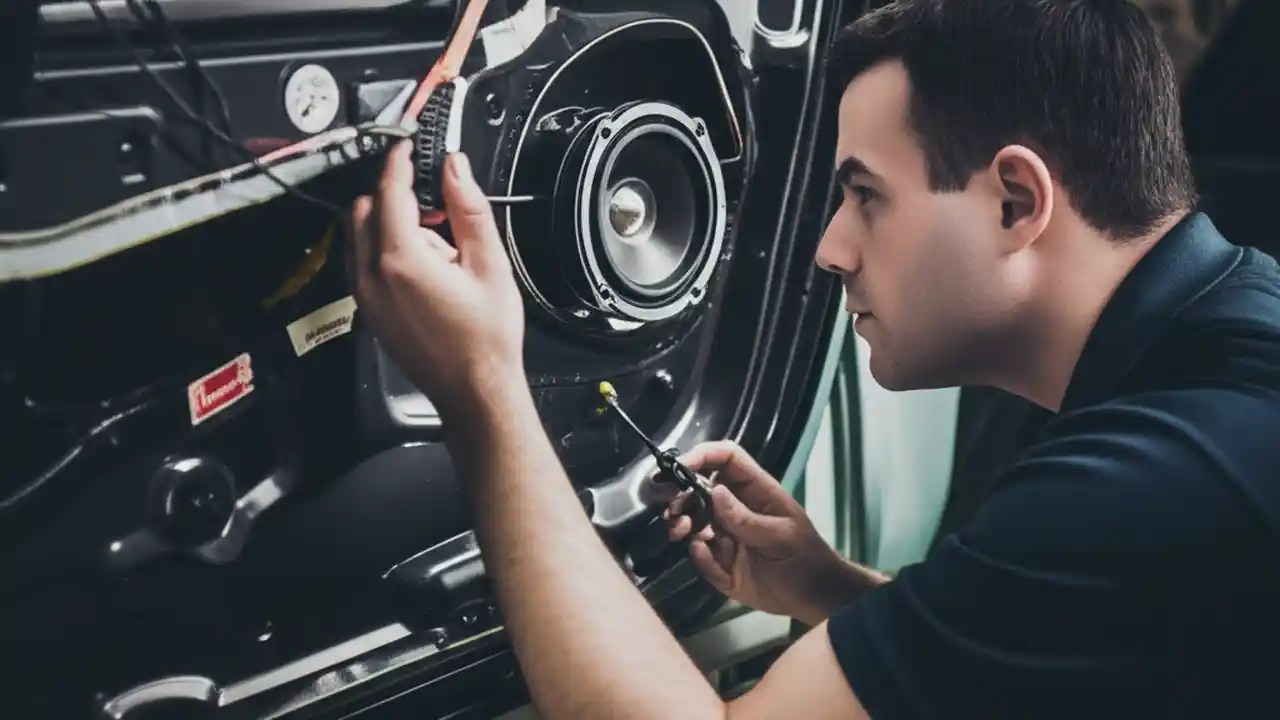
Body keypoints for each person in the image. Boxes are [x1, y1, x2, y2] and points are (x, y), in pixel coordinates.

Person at [346, 0, 1280, 717]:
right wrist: (837, 594)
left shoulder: (1151, 479)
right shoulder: (1232, 341)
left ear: (1014, 202)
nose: (831, 249)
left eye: (865, 195)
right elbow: (1075, 628)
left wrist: (483, 391)